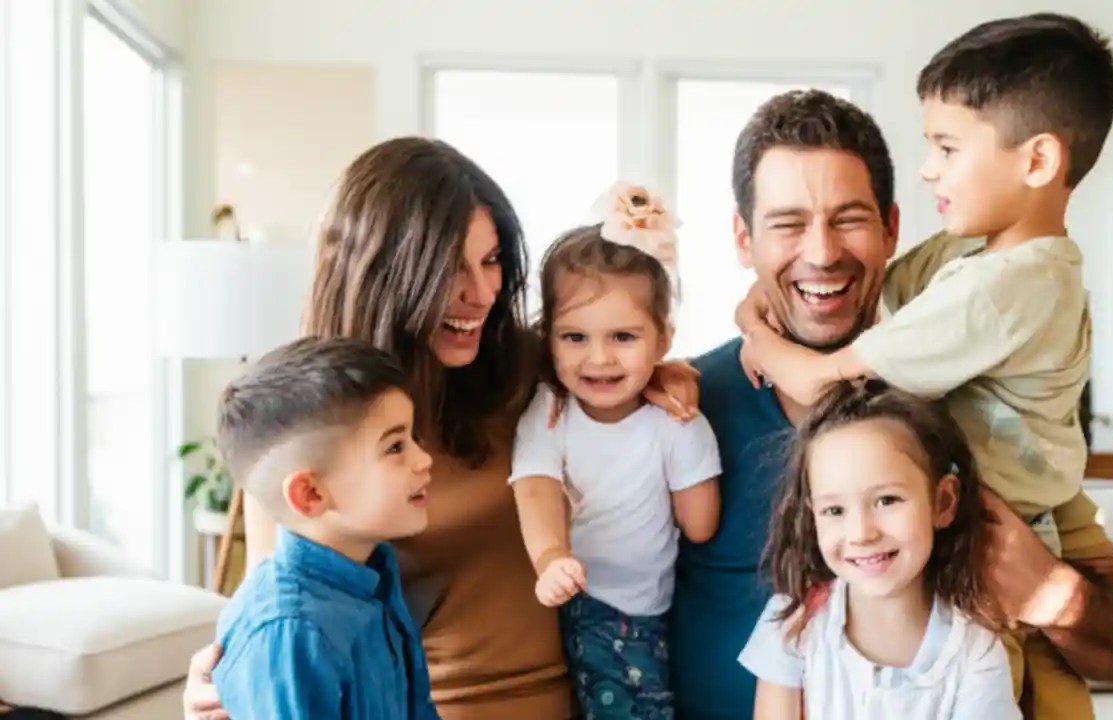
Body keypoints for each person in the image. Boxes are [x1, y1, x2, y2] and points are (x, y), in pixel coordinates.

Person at [672, 87, 1113, 720]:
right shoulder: (677, 408)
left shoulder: (970, 414)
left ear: (891, 229)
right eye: (788, 223)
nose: (822, 251)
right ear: (744, 239)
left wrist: (1050, 591)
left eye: (849, 218)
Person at [182, 138, 699, 720]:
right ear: (384, 272)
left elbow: (629, 358)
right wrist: (215, 678)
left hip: (586, 694)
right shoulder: (307, 421)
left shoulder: (537, 370)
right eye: (451, 267)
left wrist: (666, 378)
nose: (481, 294)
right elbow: (279, 604)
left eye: (493, 259)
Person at [733, 11, 1113, 702]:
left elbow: (817, 372)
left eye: (946, 148)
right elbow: (899, 286)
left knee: (1013, 677)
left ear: (1037, 160)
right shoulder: (973, 260)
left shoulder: (996, 292)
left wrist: (754, 328)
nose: (928, 169)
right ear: (743, 240)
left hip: (1001, 532)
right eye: (788, 224)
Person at [508, 183, 722, 718]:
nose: (598, 358)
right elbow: (535, 484)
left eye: (623, 337)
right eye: (574, 337)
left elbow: (700, 526)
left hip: (641, 613)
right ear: (547, 338)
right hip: (560, 601)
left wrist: (690, 442)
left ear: (663, 339)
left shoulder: (677, 420)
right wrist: (550, 555)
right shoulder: (550, 408)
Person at [739, 380, 1018, 719]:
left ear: (943, 502)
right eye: (835, 511)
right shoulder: (791, 624)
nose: (861, 533)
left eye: (887, 500)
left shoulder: (975, 653)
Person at [210, 337, 440, 719]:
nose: (424, 460)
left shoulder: (375, 571)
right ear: (310, 493)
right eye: (395, 447)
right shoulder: (289, 635)